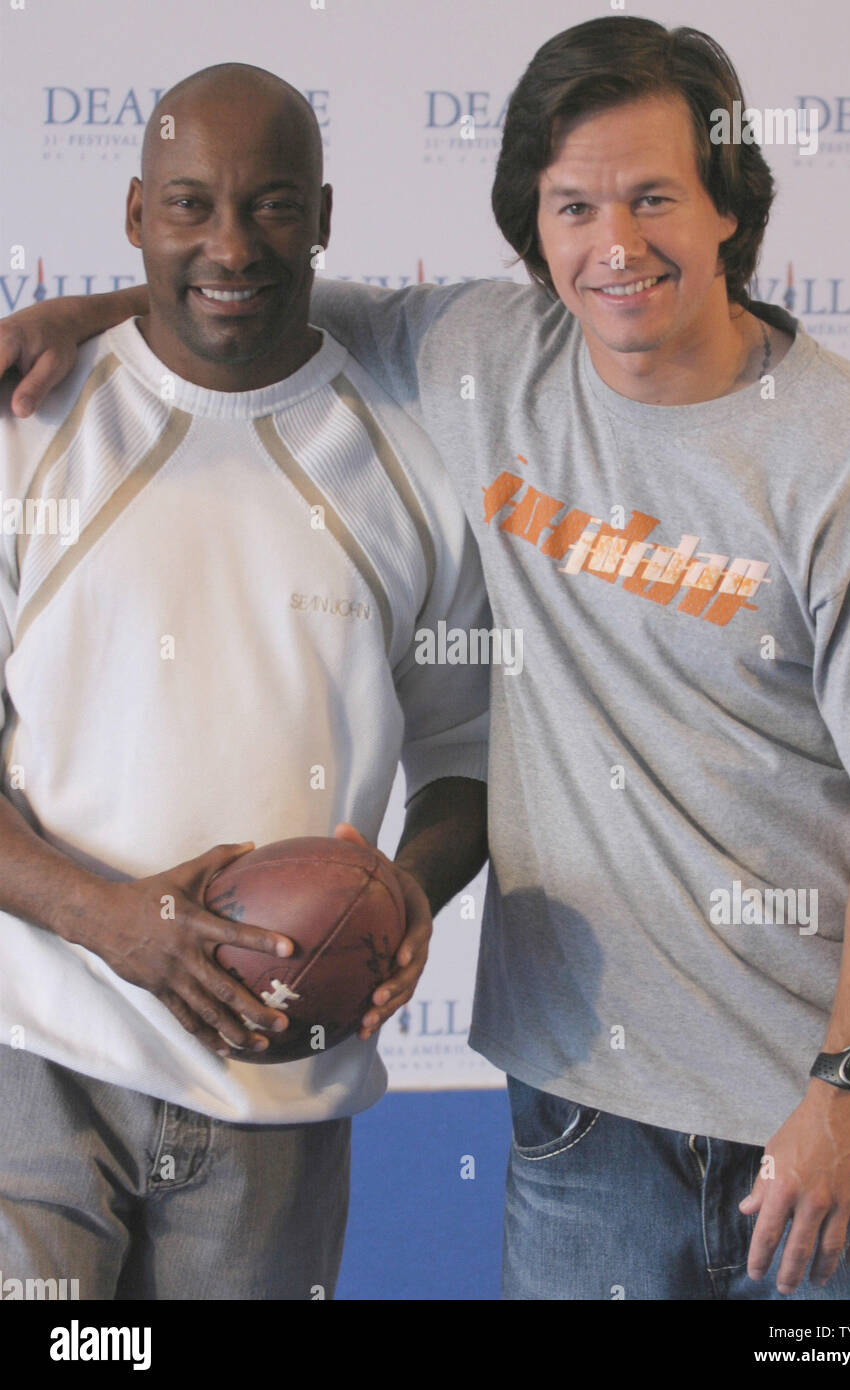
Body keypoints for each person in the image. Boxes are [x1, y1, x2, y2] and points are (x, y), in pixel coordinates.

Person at [3, 17, 850, 1302]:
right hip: (583, 1110)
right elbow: (243, 298)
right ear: (532, 227)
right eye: (573, 206)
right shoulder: (487, 359)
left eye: (655, 196)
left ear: (729, 205)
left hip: (828, 1126)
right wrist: (82, 309)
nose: (615, 243)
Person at [0, 63, 489, 1300]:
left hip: (281, 1081)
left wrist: (407, 889)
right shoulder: (29, 427)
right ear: (132, 215)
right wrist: (104, 918)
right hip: (32, 1057)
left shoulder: (412, 462)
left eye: (272, 205)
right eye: (189, 206)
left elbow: (473, 756)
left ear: (324, 218)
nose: (230, 243)